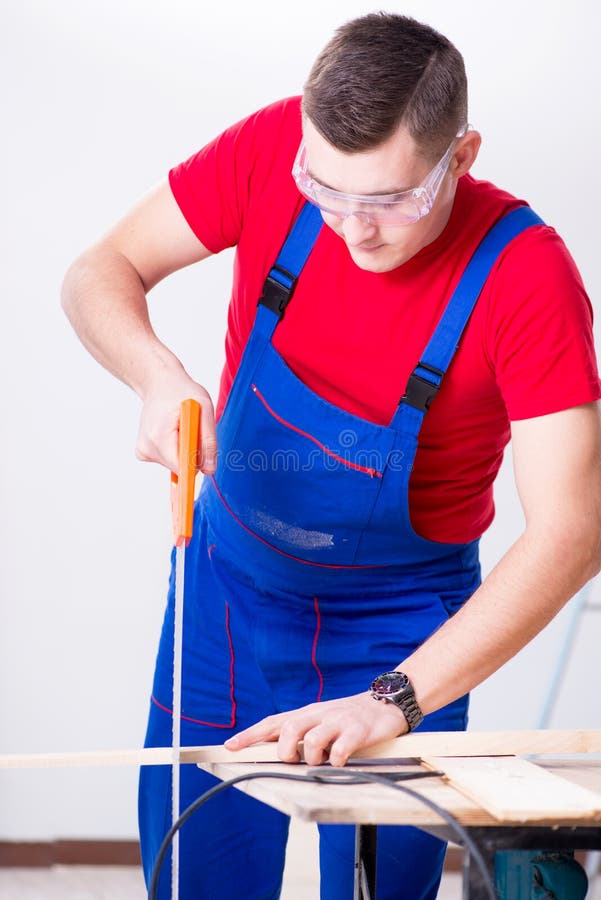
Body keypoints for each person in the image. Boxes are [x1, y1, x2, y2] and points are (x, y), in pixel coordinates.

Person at [61, 11, 601, 900]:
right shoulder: (278, 145)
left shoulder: (527, 278)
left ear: (459, 158)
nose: (352, 228)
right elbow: (101, 267)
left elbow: (572, 533)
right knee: (197, 880)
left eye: (388, 199)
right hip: (224, 603)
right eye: (324, 191)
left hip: (405, 632)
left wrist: (394, 697)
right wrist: (155, 375)